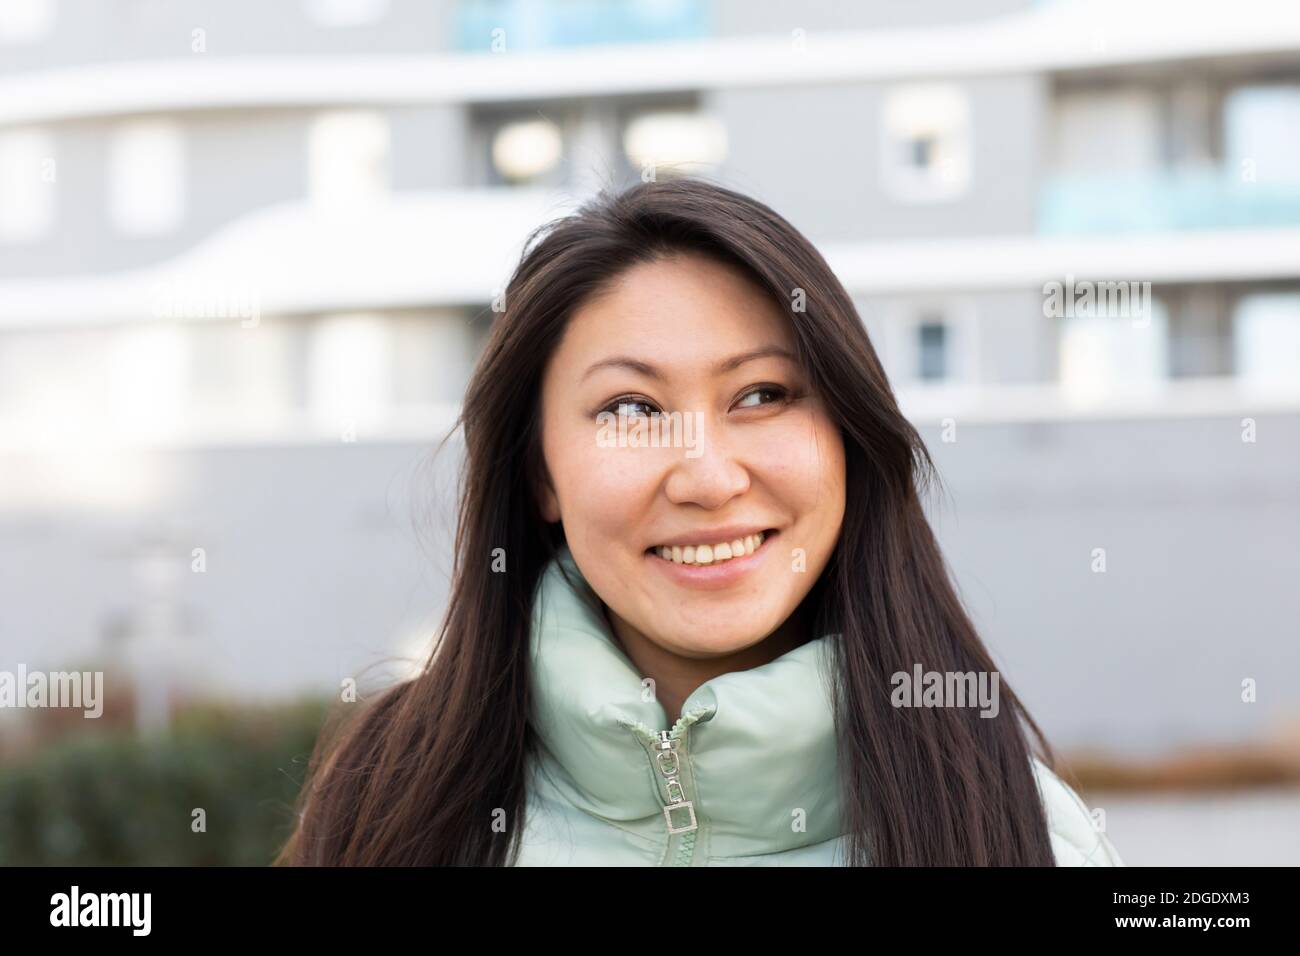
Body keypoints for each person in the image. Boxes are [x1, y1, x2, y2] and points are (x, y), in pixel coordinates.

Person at [277, 177, 1125, 867]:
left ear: (846, 438)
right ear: (540, 471)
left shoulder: (1016, 834)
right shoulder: (390, 805)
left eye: (762, 395)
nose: (709, 478)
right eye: (632, 407)